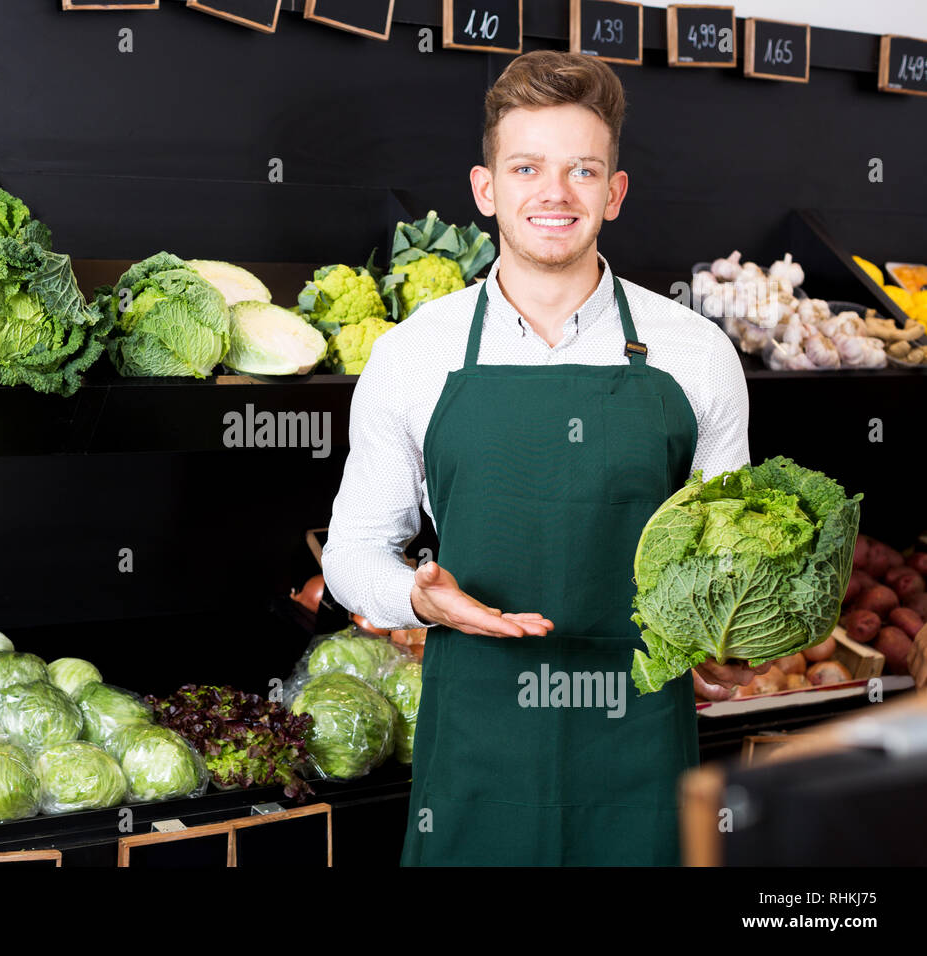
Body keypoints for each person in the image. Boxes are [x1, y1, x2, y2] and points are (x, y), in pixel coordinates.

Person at [320, 50, 767, 866]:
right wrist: (423, 602)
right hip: (475, 739)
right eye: (526, 167)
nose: (554, 193)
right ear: (486, 189)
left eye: (582, 170)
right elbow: (351, 555)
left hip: (636, 741)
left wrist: (725, 639)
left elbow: (725, 557)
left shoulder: (696, 355)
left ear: (614, 192)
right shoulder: (414, 353)